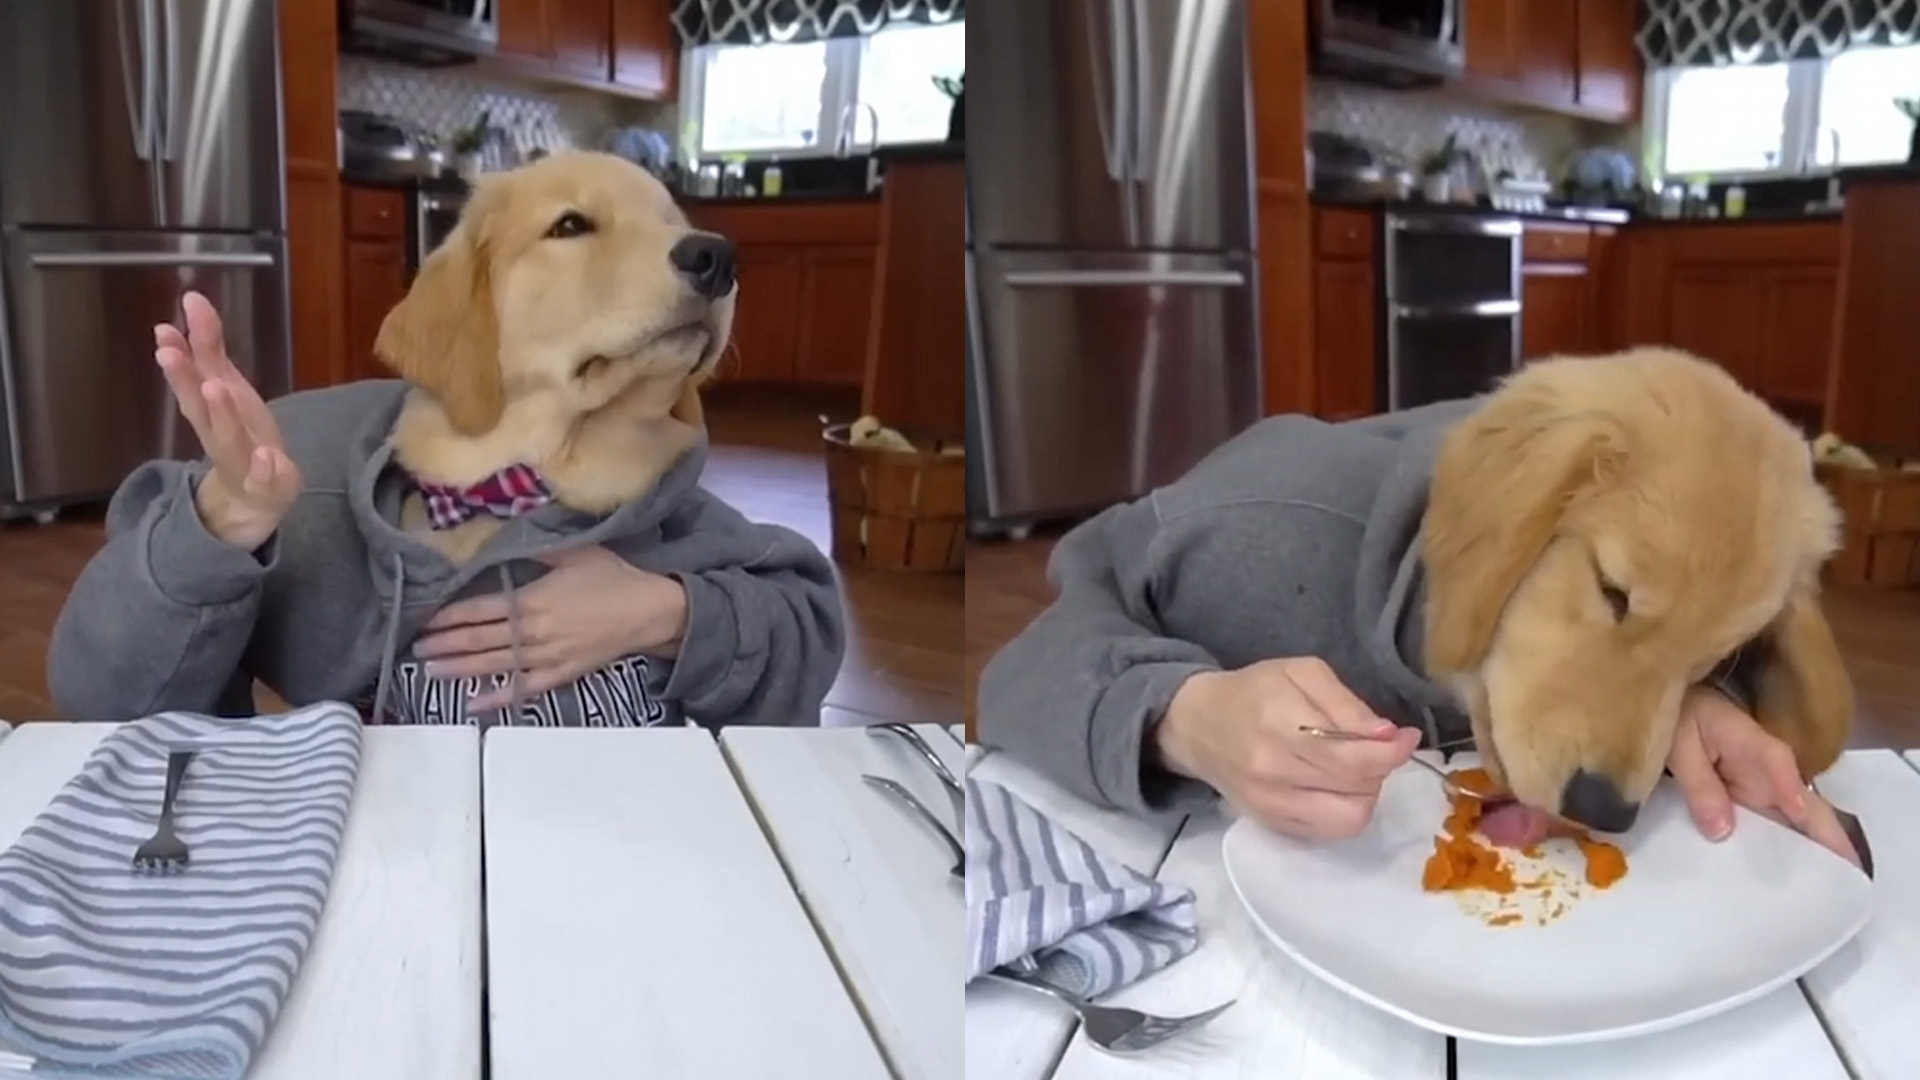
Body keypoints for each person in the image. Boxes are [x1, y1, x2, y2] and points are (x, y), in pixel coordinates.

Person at [977, 401, 1861, 865]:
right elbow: (1020, 672)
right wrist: (1184, 715)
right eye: (1619, 601)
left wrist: (1706, 693)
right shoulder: (1243, 534)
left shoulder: (1698, 538)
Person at [45, 293, 845, 728]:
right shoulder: (313, 481)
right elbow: (101, 697)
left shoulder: (661, 504)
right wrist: (223, 520)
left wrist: (664, 613)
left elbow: (804, 629)